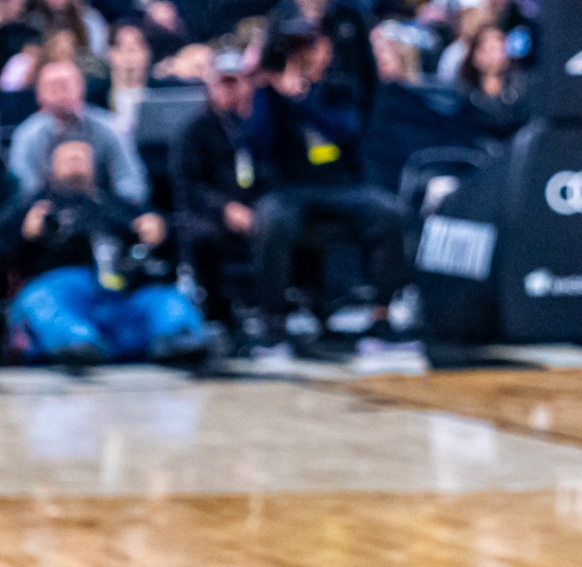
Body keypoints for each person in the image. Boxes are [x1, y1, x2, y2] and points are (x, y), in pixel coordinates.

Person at [242, 28, 415, 366]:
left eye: (314, 45)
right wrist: (270, 92)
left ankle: (381, 317)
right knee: (270, 219)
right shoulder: (269, 92)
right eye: (299, 47)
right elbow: (257, 144)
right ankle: (272, 324)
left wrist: (304, 99)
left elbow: (347, 130)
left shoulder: (340, 87)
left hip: (342, 186)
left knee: (388, 213)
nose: (308, 53)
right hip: (289, 188)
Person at [0, 139, 201, 367]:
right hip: (63, 289)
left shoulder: (115, 205)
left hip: (120, 293)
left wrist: (159, 229)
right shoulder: (32, 207)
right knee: (42, 299)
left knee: (165, 299)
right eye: (68, 158)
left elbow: (159, 241)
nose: (76, 161)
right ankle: (77, 343)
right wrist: (23, 233)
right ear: (51, 167)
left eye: (82, 157)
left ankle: (180, 339)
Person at [169, 49, 263, 319]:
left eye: (236, 82)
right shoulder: (194, 130)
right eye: (224, 82)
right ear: (211, 85)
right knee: (204, 236)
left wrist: (258, 206)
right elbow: (188, 183)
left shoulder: (258, 126)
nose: (230, 90)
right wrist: (225, 208)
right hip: (210, 211)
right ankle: (220, 313)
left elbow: (274, 171)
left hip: (257, 206)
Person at [9, 60, 150, 209]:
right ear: (39, 94)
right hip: (47, 214)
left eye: (65, 85)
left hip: (104, 212)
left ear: (81, 87)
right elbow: (22, 187)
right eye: (53, 87)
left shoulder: (110, 127)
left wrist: (128, 213)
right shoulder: (26, 135)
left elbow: (130, 179)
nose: (60, 92)